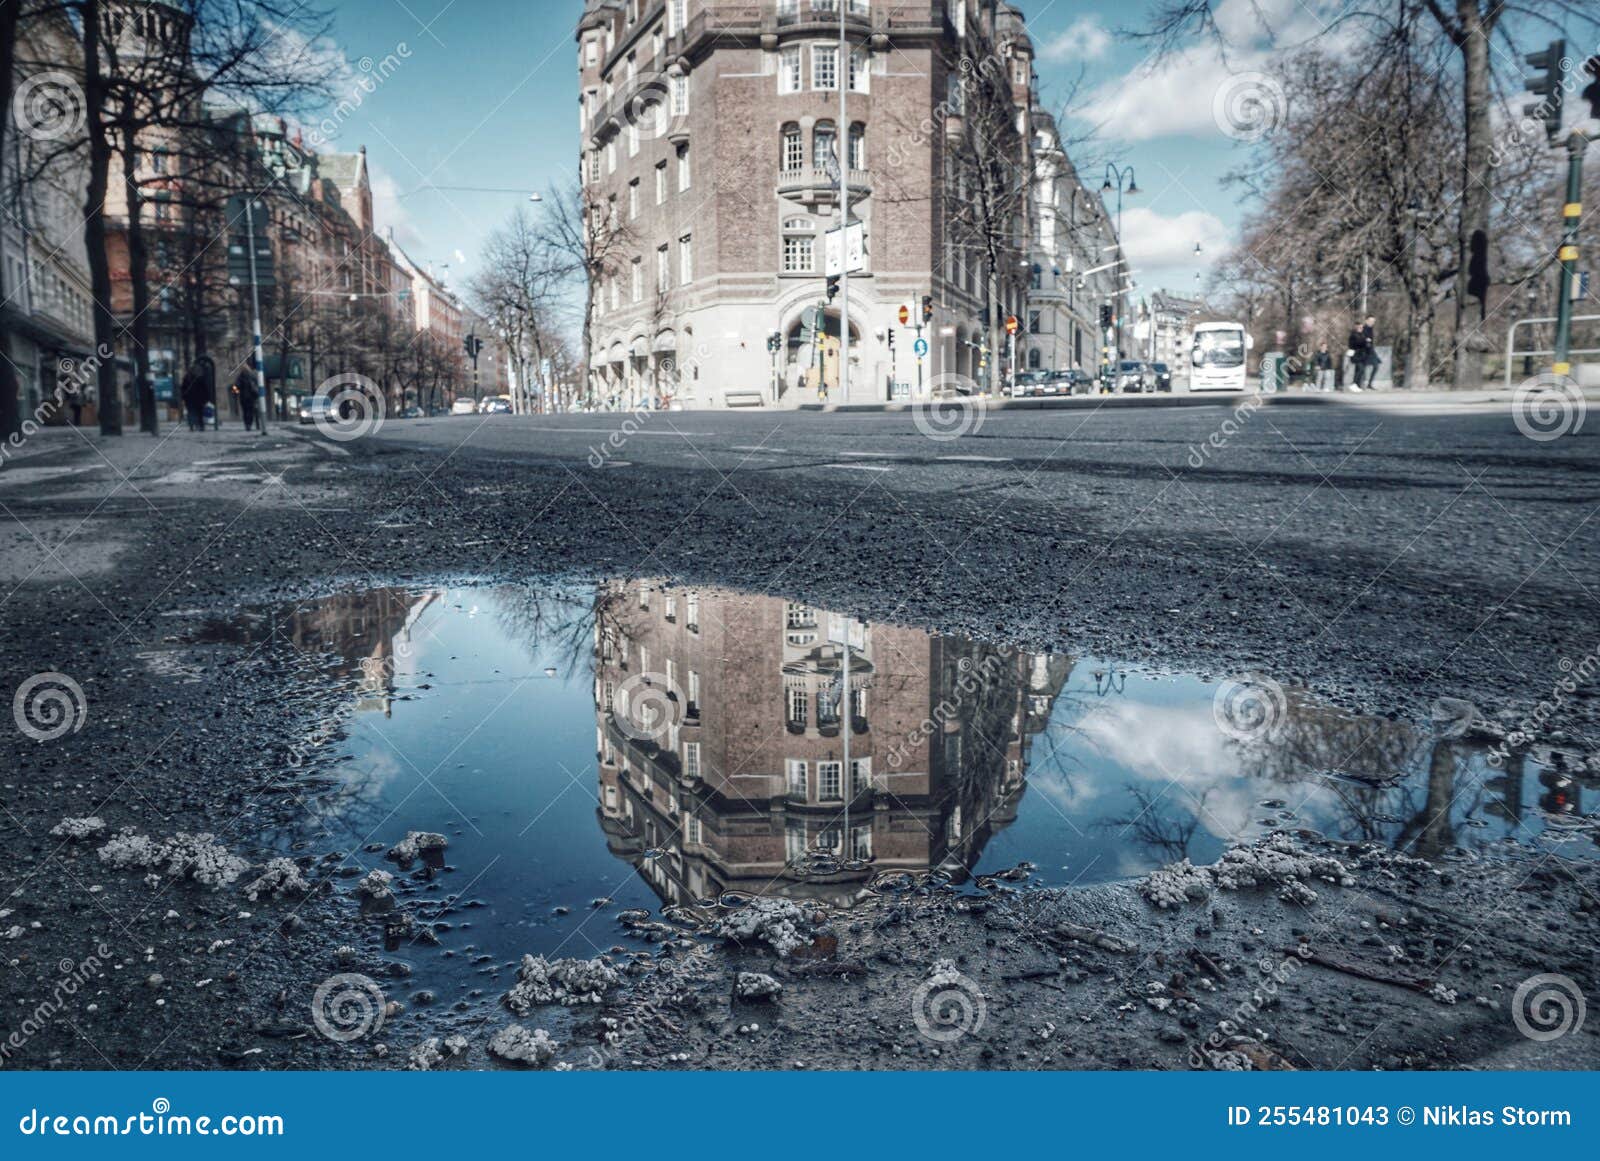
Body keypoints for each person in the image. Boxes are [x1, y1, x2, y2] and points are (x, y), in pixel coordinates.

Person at [179, 354, 215, 431]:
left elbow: (183, 388)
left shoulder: (187, 378)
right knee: (199, 412)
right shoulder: (200, 378)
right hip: (199, 399)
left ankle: (192, 425)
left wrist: (183, 396)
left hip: (190, 399)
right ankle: (200, 425)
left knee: (191, 412)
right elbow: (205, 388)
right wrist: (207, 398)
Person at [234, 366, 260, 431]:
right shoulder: (252, 376)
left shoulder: (240, 377)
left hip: (243, 397)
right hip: (251, 397)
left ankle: (247, 425)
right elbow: (256, 385)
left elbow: (235, 387)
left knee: (245, 411)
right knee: (250, 411)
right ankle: (249, 424)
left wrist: (237, 393)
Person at [1358, 316, 1380, 389]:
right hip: (1364, 351)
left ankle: (1369, 384)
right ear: (1366, 321)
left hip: (1371, 350)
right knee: (1362, 368)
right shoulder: (1363, 328)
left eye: (1373, 321)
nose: (1372, 323)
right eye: (1370, 321)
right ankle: (1359, 384)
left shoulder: (1371, 329)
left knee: (1376, 366)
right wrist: (1365, 340)